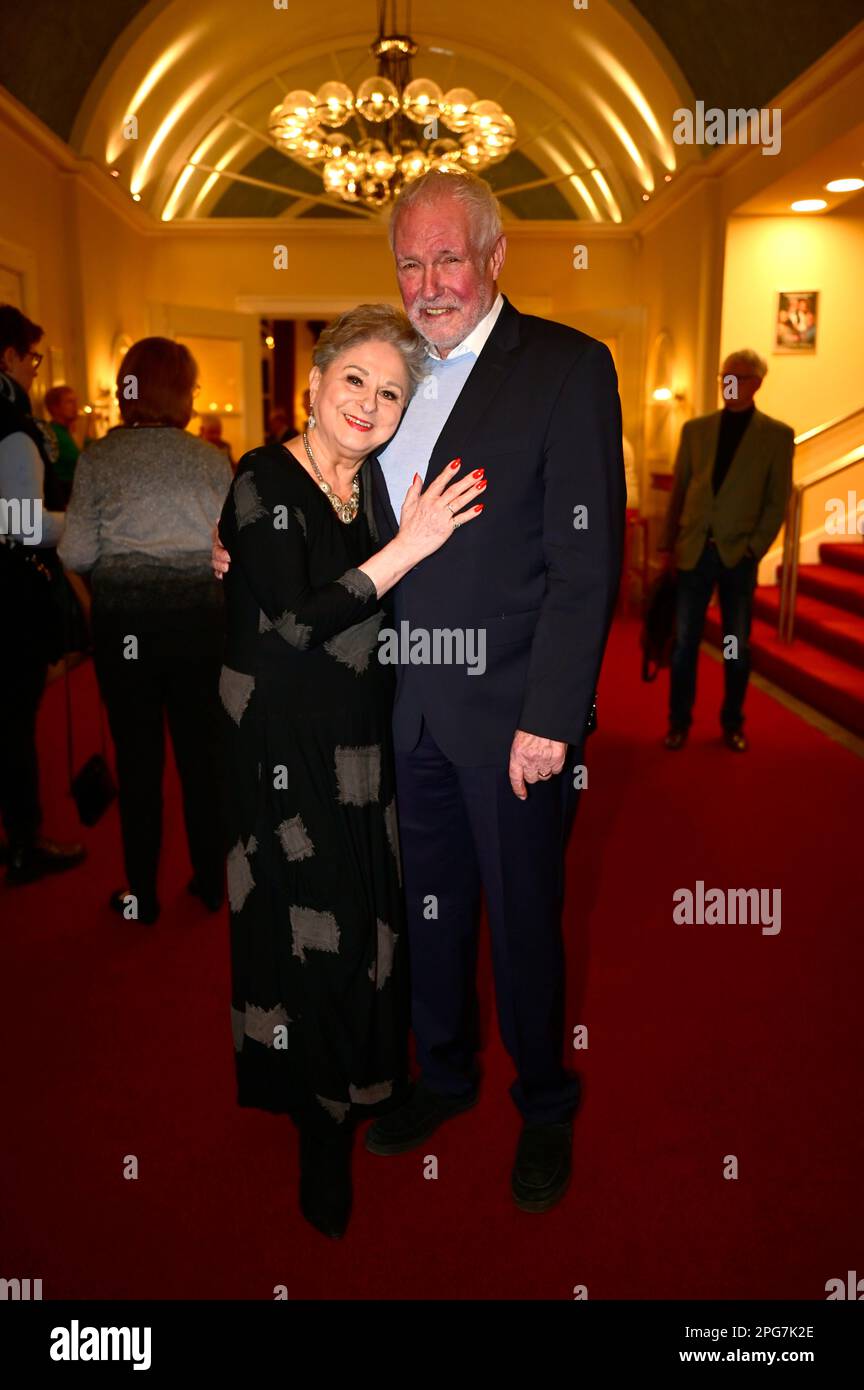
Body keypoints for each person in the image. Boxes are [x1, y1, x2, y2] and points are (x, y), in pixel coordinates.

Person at [215, 169, 625, 1215]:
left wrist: (552, 715)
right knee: (424, 914)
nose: (430, 280)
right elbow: (330, 508)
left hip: (511, 718)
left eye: (449, 257)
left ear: (495, 258)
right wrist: (243, 552)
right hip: (393, 712)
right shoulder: (387, 372)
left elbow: (588, 564)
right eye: (411, 260)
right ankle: (442, 1076)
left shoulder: (570, 369)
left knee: (525, 917)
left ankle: (543, 1100)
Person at [218, 303, 486, 1239]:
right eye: (354, 382)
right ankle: (317, 1127)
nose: (369, 403)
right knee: (306, 933)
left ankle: (359, 1081)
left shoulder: (369, 490)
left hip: (362, 748)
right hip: (284, 757)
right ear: (314, 384)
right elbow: (294, 618)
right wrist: (411, 548)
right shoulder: (260, 478)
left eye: (390, 392)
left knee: (367, 920)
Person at [59, 337, 232, 924]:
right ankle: (211, 883)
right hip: (198, 627)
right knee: (201, 760)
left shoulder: (100, 460)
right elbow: (229, 552)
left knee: (138, 763)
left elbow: (77, 549)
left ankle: (142, 895)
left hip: (125, 629)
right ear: (183, 393)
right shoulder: (210, 460)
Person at [658, 348, 794, 751]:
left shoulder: (777, 436)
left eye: (737, 377)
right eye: (724, 376)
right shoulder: (696, 430)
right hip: (694, 551)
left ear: (756, 384)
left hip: (738, 557)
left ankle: (732, 722)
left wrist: (755, 547)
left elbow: (776, 500)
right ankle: (678, 721)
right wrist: (667, 546)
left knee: (736, 646)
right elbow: (680, 490)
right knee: (685, 644)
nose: (728, 383)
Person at [0, 305, 86, 884]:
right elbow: (20, 524)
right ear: (8, 356)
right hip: (9, 592)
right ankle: (25, 843)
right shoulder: (11, 427)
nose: (34, 370)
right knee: (13, 720)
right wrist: (75, 524)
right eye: (31, 357)